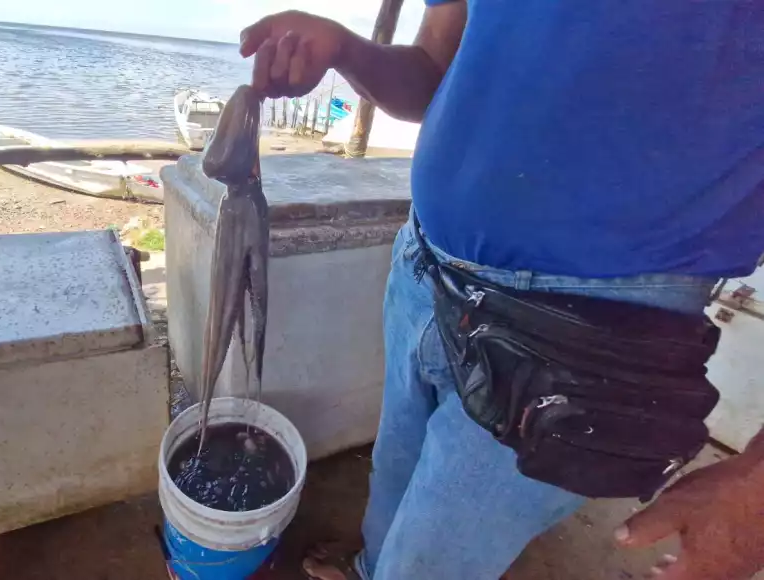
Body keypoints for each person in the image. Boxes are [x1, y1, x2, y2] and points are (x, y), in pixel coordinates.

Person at [240, 4, 764, 580]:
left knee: (433, 563)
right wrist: (346, 49)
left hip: (588, 333)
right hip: (425, 263)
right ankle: (370, 566)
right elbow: (430, 73)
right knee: (395, 469)